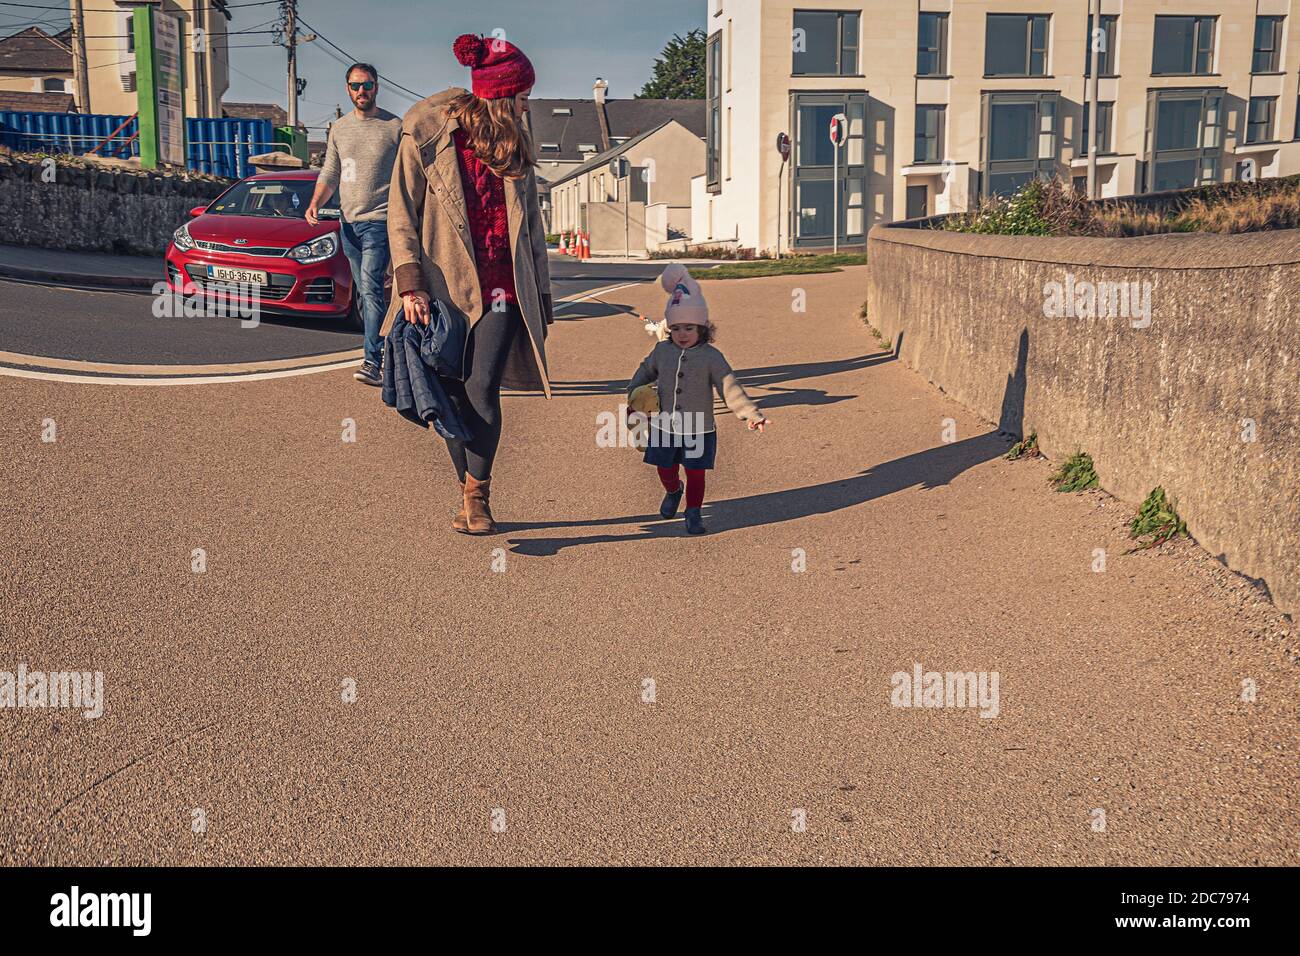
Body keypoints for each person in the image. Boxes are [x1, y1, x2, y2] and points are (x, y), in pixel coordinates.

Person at [382, 33, 554, 534]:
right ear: (502, 96)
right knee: (451, 393)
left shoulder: (517, 143)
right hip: (445, 287)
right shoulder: (428, 139)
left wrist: (541, 295)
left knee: (481, 389)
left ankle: (477, 499)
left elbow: (534, 228)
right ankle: (467, 487)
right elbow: (401, 216)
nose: (528, 103)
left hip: (505, 288)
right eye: (522, 95)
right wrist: (410, 284)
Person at [625, 264, 769, 535]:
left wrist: (750, 413)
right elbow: (644, 371)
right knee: (664, 467)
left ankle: (694, 513)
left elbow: (730, 386)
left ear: (702, 328)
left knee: (696, 473)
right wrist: (635, 393)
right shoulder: (662, 351)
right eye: (676, 328)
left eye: (689, 328)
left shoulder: (711, 357)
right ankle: (673, 489)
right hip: (665, 427)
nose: (682, 334)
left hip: (698, 429)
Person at [306, 63, 401, 386]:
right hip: (349, 224)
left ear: (377, 87)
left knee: (372, 291)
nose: (362, 91)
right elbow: (331, 172)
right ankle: (390, 349)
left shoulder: (394, 127)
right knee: (365, 294)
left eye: (368, 85)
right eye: (356, 85)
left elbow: (410, 175)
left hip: (380, 221)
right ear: (347, 88)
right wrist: (316, 202)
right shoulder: (340, 129)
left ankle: (373, 362)